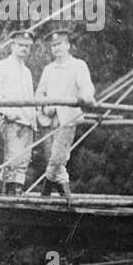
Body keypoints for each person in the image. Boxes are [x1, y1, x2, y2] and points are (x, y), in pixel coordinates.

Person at [35, 25, 96, 200]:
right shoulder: (49, 69)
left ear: (68, 45)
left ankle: (45, 192)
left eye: (60, 44)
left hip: (68, 118)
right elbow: (40, 93)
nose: (57, 48)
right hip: (49, 119)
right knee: (54, 160)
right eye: (54, 46)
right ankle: (66, 197)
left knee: (57, 158)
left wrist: (87, 96)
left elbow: (86, 86)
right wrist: (45, 107)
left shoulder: (78, 65)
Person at [0, 29, 38, 195]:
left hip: (27, 121)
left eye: (27, 46)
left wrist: (34, 120)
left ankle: (16, 192)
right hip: (11, 119)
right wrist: (4, 113)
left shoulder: (26, 71)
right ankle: (5, 194)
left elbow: (30, 98)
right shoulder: (1, 67)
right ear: (12, 45)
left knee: (23, 160)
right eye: (20, 45)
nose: (24, 49)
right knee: (12, 159)